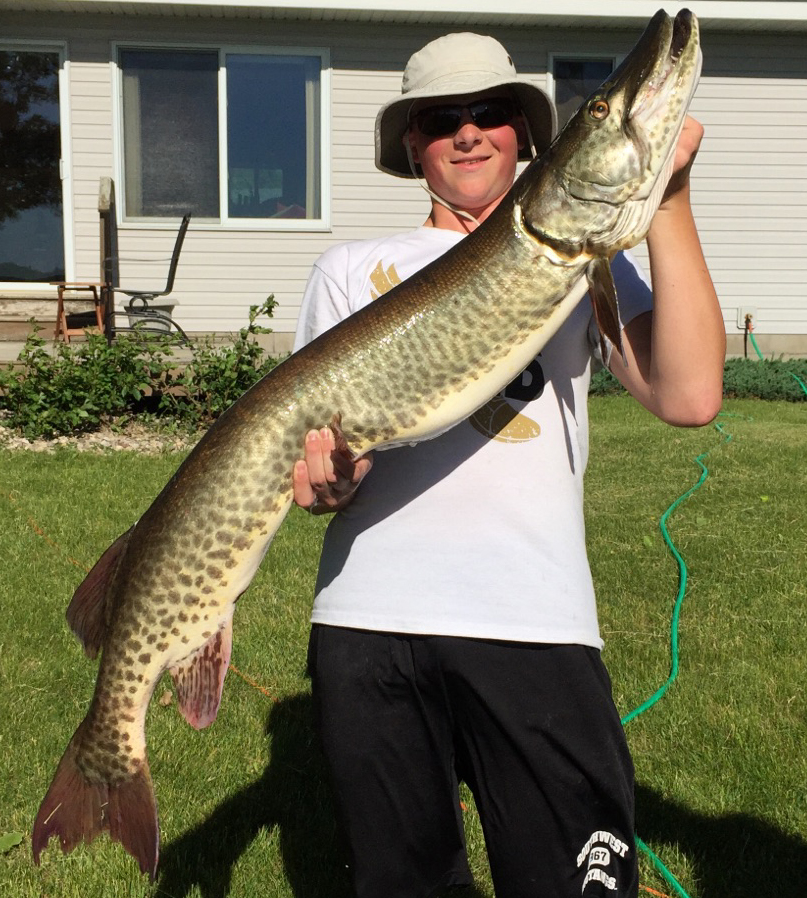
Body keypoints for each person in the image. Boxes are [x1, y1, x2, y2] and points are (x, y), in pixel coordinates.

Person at [289, 28, 724, 898]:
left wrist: (666, 198)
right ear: (412, 144)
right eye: (441, 117)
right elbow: (323, 467)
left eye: (490, 112)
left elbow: (688, 395)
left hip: (533, 620)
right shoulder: (352, 268)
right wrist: (328, 482)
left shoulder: (578, 256)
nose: (467, 131)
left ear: (525, 135)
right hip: (369, 627)